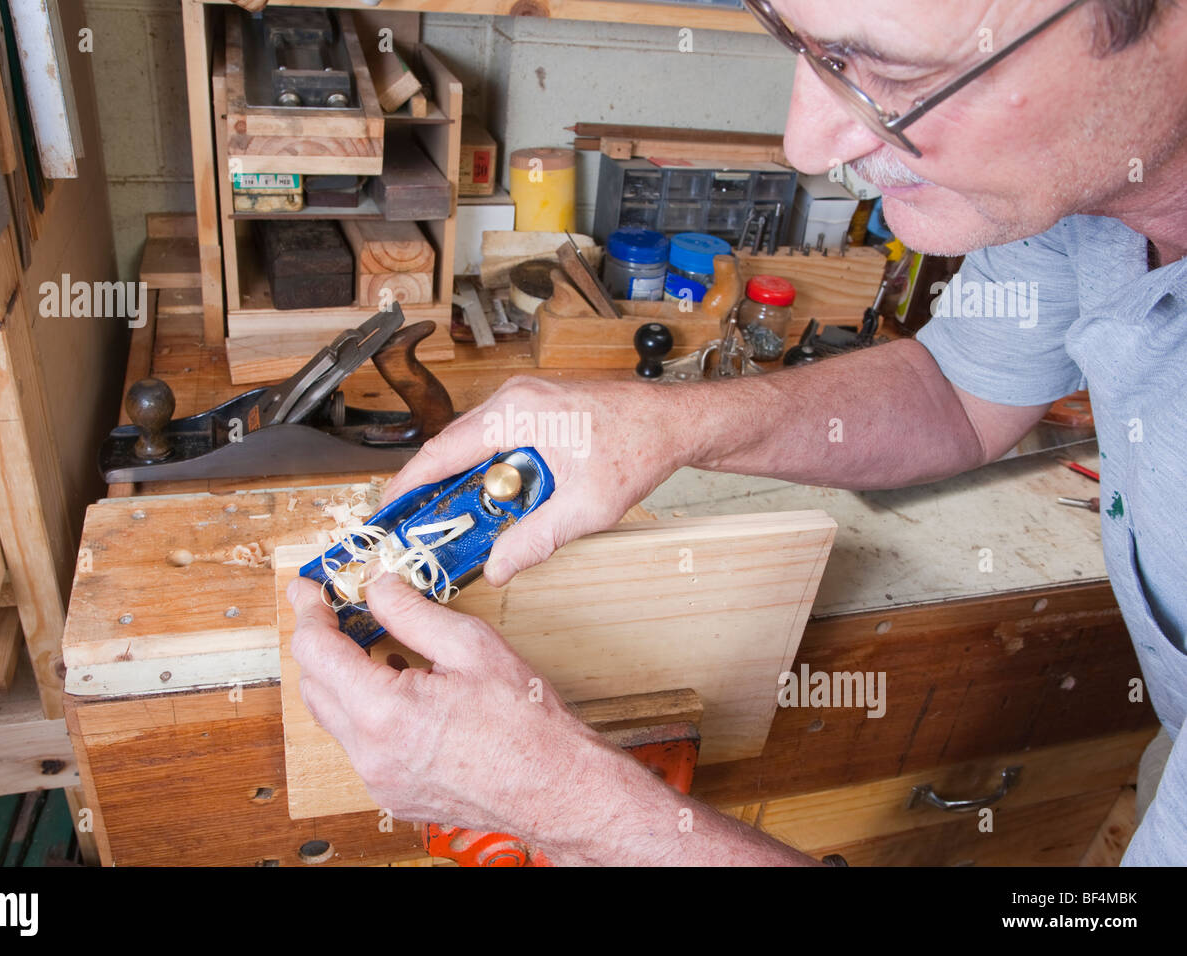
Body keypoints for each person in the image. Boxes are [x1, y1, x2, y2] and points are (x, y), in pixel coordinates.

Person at [286, 0, 1187, 865]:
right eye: (810, 46)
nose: (808, 142)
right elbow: (961, 391)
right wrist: (664, 424)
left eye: (897, 72)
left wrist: (569, 808)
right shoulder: (1077, 190)